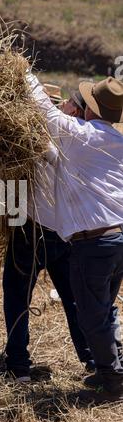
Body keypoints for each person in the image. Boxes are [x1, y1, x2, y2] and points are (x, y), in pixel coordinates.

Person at [27, 72, 123, 402]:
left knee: (90, 315)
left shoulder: (82, 136)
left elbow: (46, 112)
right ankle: (113, 364)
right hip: (117, 239)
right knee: (104, 307)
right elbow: (67, 164)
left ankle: (112, 380)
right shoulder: (115, 141)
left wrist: (24, 73)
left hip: (93, 242)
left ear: (91, 109)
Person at [3, 90, 95, 382]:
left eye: (68, 101)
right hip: (68, 232)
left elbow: (40, 106)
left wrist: (28, 87)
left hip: (32, 230)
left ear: (76, 112)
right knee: (75, 298)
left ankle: (18, 366)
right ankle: (93, 359)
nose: (62, 103)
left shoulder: (53, 136)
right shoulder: (91, 141)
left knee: (17, 294)